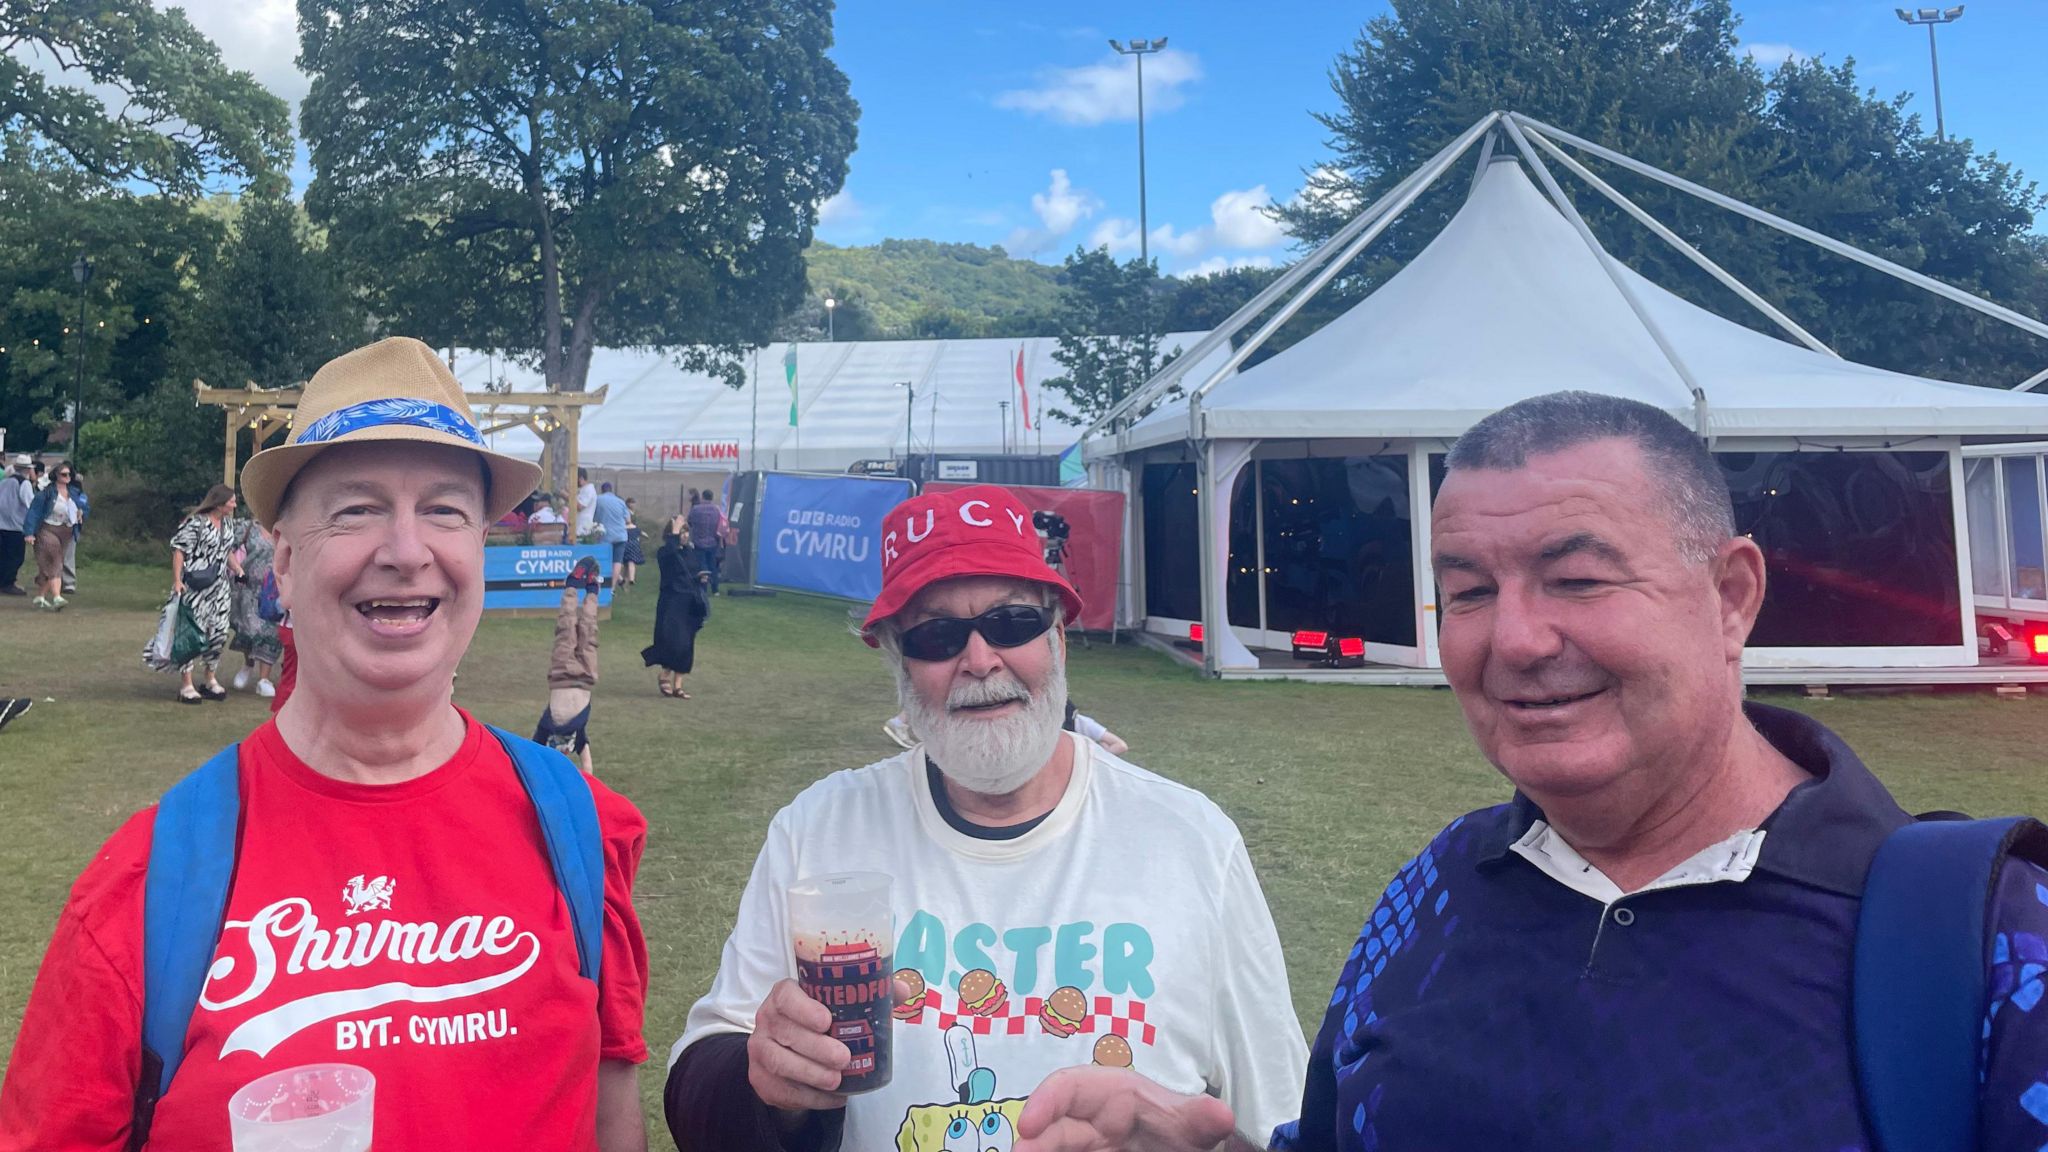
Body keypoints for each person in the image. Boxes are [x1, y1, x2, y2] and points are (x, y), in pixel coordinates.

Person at [1008, 390, 2048, 1152]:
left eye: (1577, 579)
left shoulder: (1984, 944)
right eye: (1465, 592)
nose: (1513, 638)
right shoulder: (1434, 891)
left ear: (1729, 596)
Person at [0, 336, 652, 1149]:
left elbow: (611, 1112)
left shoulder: (580, 832)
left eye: (446, 510)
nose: (407, 551)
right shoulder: (147, 885)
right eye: (357, 509)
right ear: (283, 559)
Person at [664, 485, 1305, 1152]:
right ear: (898, 660)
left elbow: (1285, 1126)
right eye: (937, 635)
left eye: (1012, 623)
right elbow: (700, 1084)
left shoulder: (1191, 843)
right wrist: (768, 1085)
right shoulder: (820, 830)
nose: (979, 660)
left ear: (1058, 636)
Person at [161, 484, 243, 701]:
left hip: (219, 587)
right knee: (190, 633)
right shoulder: (195, 523)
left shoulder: (227, 525)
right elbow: (179, 551)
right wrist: (177, 580)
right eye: (232, 501)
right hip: (195, 586)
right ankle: (186, 684)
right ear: (219, 503)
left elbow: (226, 552)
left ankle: (210, 678)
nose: (235, 504)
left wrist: (237, 569)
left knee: (218, 632)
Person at [536, 556, 605, 774]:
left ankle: (573, 585)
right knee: (589, 629)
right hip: (585, 678)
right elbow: (587, 767)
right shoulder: (577, 739)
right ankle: (593, 589)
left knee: (567, 627)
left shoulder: (543, 735)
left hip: (562, 675)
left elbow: (529, 758)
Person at [642, 515, 708, 698]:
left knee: (687, 643)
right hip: (672, 601)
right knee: (673, 640)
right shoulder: (665, 552)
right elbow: (671, 554)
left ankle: (678, 685)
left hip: (690, 602)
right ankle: (664, 675)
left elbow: (693, 571)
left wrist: (700, 578)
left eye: (686, 531)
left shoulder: (689, 552)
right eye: (681, 531)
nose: (684, 535)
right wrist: (675, 531)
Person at [227, 515, 283, 697]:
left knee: (270, 633)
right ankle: (248, 664)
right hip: (248, 589)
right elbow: (226, 548)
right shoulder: (247, 528)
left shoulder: (285, 530)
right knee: (248, 630)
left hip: (273, 591)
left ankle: (264, 679)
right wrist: (237, 569)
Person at [25, 461, 83, 610]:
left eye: (69, 474)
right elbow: (33, 512)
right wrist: (29, 533)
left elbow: (83, 505)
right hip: (47, 529)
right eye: (64, 474)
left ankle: (41, 596)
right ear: (56, 475)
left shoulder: (74, 492)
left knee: (49, 565)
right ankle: (57, 597)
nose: (67, 477)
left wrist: (82, 513)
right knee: (56, 561)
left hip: (66, 531)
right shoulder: (46, 493)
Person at [0, 453, 35, 595]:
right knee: (16, 557)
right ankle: (8, 583)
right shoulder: (24, 483)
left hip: (1, 524)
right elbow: (30, 503)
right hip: (15, 526)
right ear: (28, 469)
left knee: (3, 556)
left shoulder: (5, 482)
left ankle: (3, 582)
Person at [686, 487, 724, 594]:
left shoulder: (696, 509)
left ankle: (703, 588)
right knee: (713, 565)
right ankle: (715, 589)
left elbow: (689, 522)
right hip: (713, 542)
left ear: (702, 497)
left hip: (698, 542)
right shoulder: (717, 509)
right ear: (712, 498)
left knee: (701, 565)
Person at [596, 480, 631, 590]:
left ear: (602, 490)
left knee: (604, 559)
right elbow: (628, 520)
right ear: (611, 490)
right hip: (620, 535)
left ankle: (603, 582)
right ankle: (612, 587)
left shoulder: (598, 499)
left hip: (605, 535)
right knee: (617, 562)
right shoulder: (620, 501)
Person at [59, 467, 87, 595]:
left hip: (69, 527)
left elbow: (84, 508)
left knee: (65, 555)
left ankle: (66, 582)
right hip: (61, 526)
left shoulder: (77, 493)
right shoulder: (55, 490)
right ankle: (62, 581)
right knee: (63, 555)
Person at [622, 498, 646, 588]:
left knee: (626, 562)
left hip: (630, 536)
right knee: (630, 562)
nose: (633, 504)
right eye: (631, 503)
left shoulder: (633, 513)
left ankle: (625, 578)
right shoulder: (627, 512)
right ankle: (629, 578)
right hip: (632, 536)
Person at [577, 467, 599, 539]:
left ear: (580, 478)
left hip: (582, 529)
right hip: (577, 527)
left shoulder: (589, 489)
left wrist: (567, 496)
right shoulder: (582, 490)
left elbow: (580, 506)